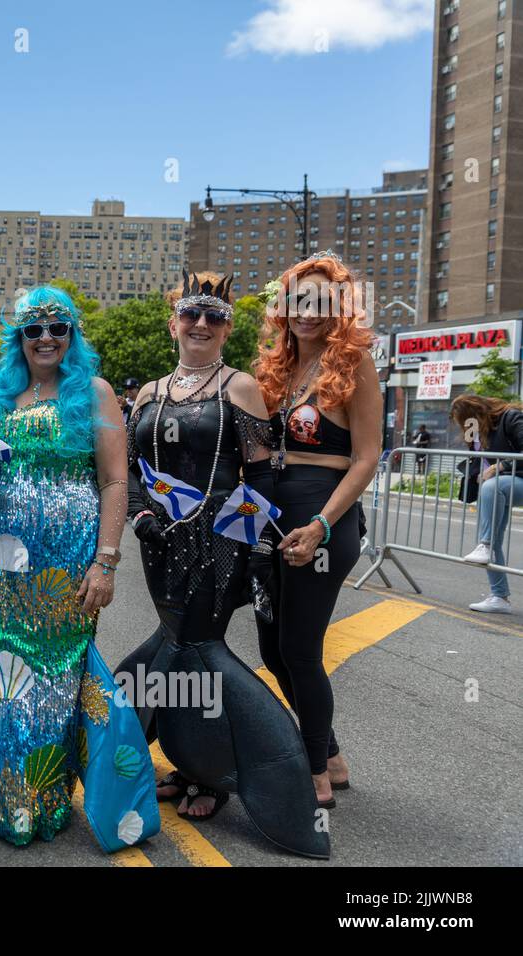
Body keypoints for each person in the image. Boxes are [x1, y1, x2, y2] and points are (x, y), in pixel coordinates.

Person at [118, 271, 329, 859]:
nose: (202, 324)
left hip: (218, 543)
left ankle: (219, 772)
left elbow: (260, 477)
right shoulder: (150, 392)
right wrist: (140, 519)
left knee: (197, 646)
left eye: (214, 316)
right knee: (174, 642)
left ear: (228, 327)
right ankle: (188, 764)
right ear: (174, 323)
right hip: (157, 542)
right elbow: (132, 469)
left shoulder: (241, 389)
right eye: (191, 314)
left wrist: (253, 550)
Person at [0, 286, 158, 850]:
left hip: (66, 564)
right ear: (19, 337)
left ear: (72, 335)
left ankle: (35, 799)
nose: (45, 338)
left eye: (57, 327)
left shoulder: (94, 392)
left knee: (57, 678)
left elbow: (116, 480)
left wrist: (106, 563)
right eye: (33, 329)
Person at [254, 252, 381, 813]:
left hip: (322, 517)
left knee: (299, 649)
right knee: (270, 646)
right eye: (298, 301)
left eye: (321, 302)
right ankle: (329, 752)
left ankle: (314, 775)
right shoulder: (275, 370)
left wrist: (322, 525)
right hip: (271, 516)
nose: (308, 312)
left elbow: (367, 457)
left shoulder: (356, 366)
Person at [455, 393, 523, 613]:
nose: (465, 427)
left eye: (465, 421)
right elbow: (477, 460)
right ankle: (499, 597)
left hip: (513, 480)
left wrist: (500, 466)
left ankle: (485, 545)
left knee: (492, 487)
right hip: (504, 484)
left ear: (476, 413)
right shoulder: (479, 431)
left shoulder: (510, 417)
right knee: (492, 540)